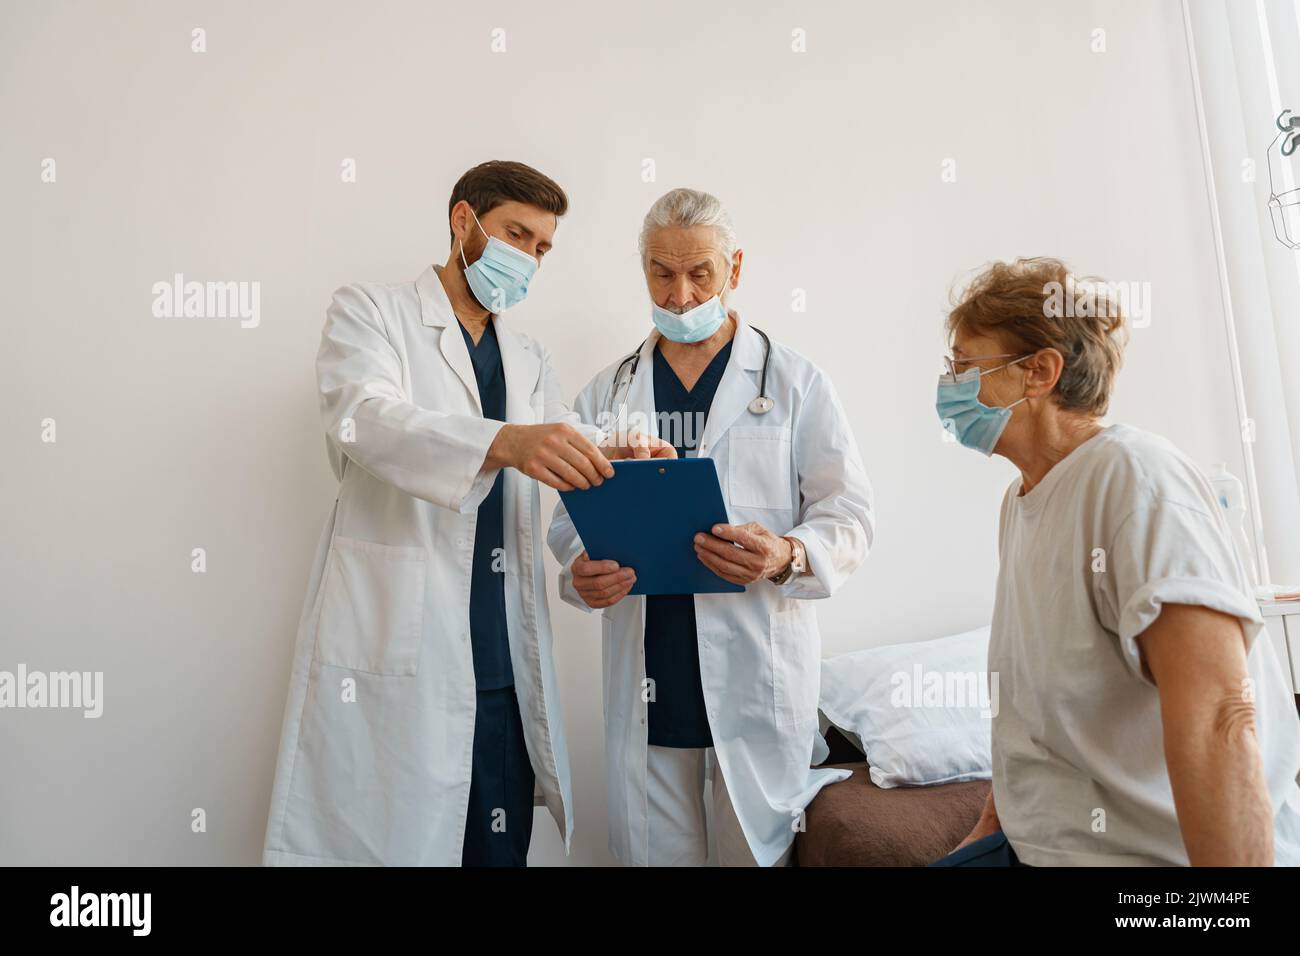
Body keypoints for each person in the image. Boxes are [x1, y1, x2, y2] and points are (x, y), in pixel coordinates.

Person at [262, 160, 670, 867]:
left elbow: (563, 440)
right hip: (398, 642)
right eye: (517, 235)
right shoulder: (371, 313)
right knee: (392, 841)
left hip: (502, 660)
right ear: (463, 222)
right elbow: (364, 419)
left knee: (495, 850)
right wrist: (504, 441)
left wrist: (619, 457)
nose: (529, 259)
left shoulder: (527, 356)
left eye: (542, 248)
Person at [931, 258, 1300, 866]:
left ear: (1039, 373)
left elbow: (1218, 719)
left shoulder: (1134, 479)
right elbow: (1035, 715)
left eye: (966, 365)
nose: (950, 385)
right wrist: (990, 828)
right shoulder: (1023, 500)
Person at [547, 188, 875, 866]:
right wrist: (582, 576)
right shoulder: (606, 394)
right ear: (643, 270)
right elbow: (566, 524)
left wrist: (786, 553)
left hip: (757, 672)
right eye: (662, 273)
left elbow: (850, 516)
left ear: (736, 268)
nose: (682, 292)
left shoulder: (794, 383)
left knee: (752, 855)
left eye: (701, 272)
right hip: (650, 673)